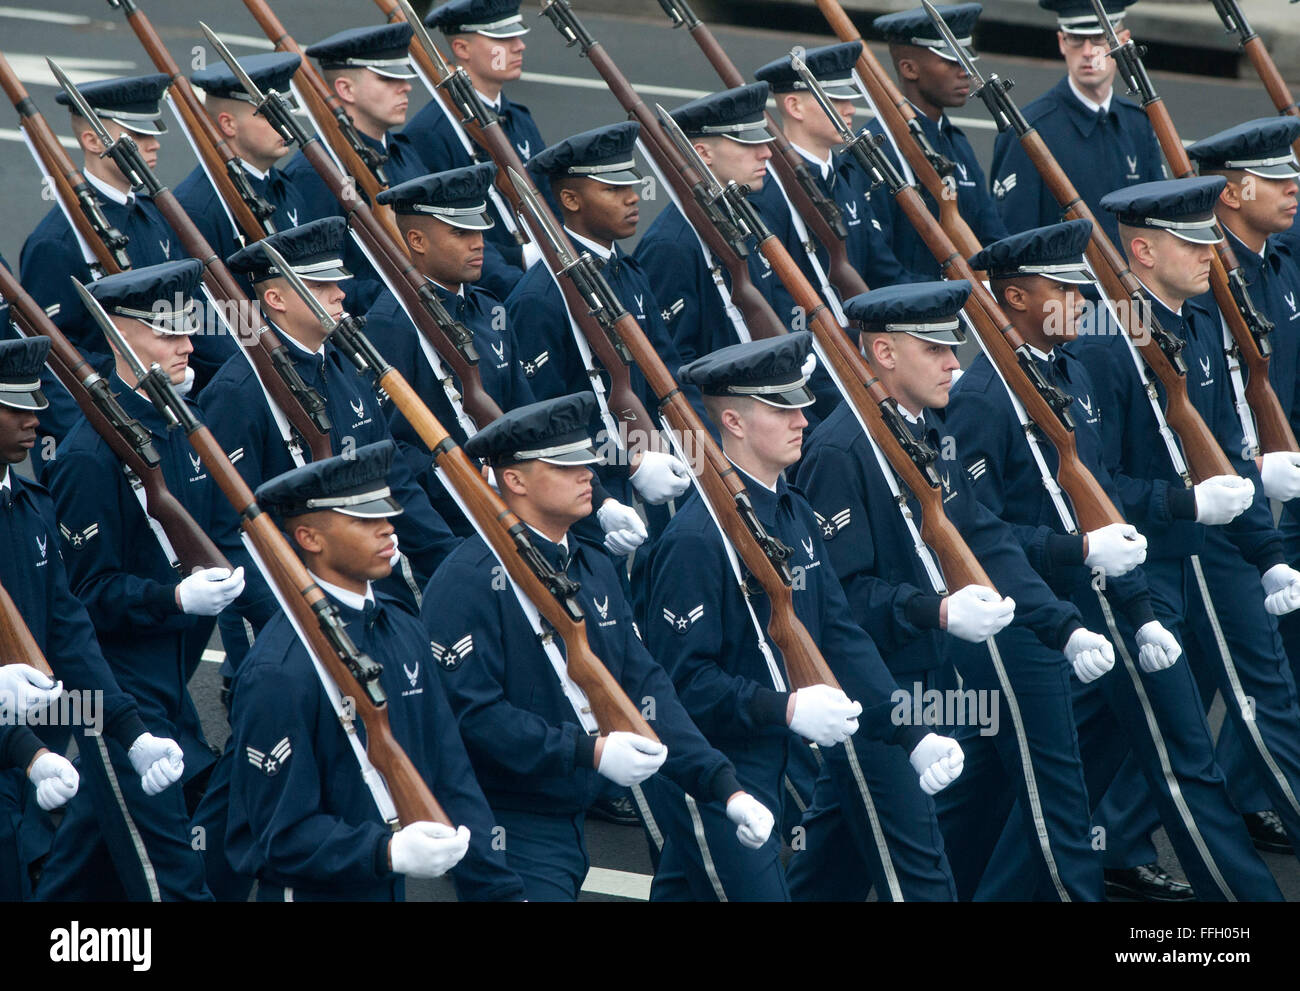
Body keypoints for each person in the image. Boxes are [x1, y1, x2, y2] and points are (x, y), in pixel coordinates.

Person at [947, 220, 1282, 901]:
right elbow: (981, 531)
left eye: (1081, 285)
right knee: (1165, 764)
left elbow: (1105, 492)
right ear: (1013, 299)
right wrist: (1164, 518)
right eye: (1062, 287)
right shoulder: (983, 399)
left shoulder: (1071, 367)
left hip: (1103, 595)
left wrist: (1142, 587)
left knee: (1064, 772)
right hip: (1037, 613)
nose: (1081, 298)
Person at [796, 282, 1117, 901]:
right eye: (936, 349)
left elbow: (985, 538)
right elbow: (840, 600)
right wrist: (936, 610)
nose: (954, 362)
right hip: (873, 687)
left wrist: (1061, 626)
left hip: (930, 676)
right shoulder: (840, 450)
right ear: (884, 354)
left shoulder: (925, 430)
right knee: (916, 874)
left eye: (955, 346)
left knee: (834, 860)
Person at [639, 332, 967, 900]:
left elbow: (838, 634)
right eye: (780, 407)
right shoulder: (696, 538)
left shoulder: (790, 509)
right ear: (734, 423)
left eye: (799, 403)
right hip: (712, 770)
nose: (801, 418)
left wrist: (909, 730)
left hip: (765, 752)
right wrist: (785, 706)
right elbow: (682, 687)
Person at [422, 392, 775, 900]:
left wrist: (721, 783)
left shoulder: (592, 567)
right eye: (566, 466)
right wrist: (586, 751)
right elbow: (472, 717)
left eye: (587, 462)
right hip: (507, 822)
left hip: (570, 809)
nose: (588, 474)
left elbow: (643, 683)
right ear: (514, 480)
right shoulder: (467, 582)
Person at [1070, 176, 1300, 867]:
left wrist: (1266, 551)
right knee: (1232, 714)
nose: (1210, 253)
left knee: (1144, 723)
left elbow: (1227, 446)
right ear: (1140, 250)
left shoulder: (1199, 319)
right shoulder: (1106, 345)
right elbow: (1094, 482)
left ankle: (1095, 844)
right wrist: (1184, 505)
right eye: (1191, 241)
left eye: (1210, 237)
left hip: (1212, 548)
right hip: (1154, 561)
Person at [225, 440, 523, 901]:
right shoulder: (279, 671)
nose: (388, 529)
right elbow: (275, 838)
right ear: (309, 538)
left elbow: (449, 770)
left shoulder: (402, 629)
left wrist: (499, 889)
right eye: (365, 520)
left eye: (385, 514)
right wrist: (383, 852)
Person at [37, 260, 246, 902]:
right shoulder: (89, 456)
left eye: (190, 330)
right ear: (123, 336)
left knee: (88, 860)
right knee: (172, 878)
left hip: (170, 678)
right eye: (171, 334)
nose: (190, 345)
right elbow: (79, 599)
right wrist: (171, 597)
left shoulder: (176, 426)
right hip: (117, 694)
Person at [201, 217, 460, 671]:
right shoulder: (239, 391)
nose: (340, 293)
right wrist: (292, 615)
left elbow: (391, 476)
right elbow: (231, 528)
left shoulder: (345, 366)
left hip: (378, 594)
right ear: (276, 299)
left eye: (337, 282)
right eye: (321, 285)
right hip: (299, 612)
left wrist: (453, 563)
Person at [0, 336, 190, 901]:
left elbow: (69, 629)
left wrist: (130, 732)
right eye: (16, 406)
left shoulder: (29, 505)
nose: (36, 417)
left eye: (37, 402)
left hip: (31, 751)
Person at [504, 121, 695, 555]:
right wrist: (608, 491)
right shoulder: (539, 298)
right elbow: (545, 423)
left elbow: (666, 379)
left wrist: (699, 457)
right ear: (570, 199)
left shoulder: (626, 272)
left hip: (659, 470)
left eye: (631, 184)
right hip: (592, 500)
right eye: (613, 189)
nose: (633, 197)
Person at [19, 73, 201, 441]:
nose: (154, 146)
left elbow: (185, 309)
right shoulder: (57, 241)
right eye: (139, 136)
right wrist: (98, 440)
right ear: (91, 140)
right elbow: (52, 360)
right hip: (106, 426)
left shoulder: (157, 215)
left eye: (154, 134)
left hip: (167, 409)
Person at [366, 162, 533, 534]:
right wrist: (465, 474)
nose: (478, 243)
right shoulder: (393, 322)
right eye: (460, 232)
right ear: (417, 241)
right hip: (450, 519)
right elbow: (391, 444)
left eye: (479, 230)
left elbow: (521, 406)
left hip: (515, 504)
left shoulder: (489, 308)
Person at [279, 22, 428, 312]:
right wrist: (396, 300)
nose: (406, 86)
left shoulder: (402, 150)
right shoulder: (316, 173)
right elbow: (320, 277)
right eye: (387, 79)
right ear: (346, 89)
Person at [988, 0, 1165, 245]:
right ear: (1062, 42)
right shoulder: (1028, 129)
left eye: (1099, 39)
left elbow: (1157, 221)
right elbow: (1016, 239)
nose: (1087, 52)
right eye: (1076, 39)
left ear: (1123, 41)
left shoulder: (1138, 124)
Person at [635, 84, 786, 365]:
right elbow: (674, 360)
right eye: (748, 143)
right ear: (703, 153)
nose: (766, 152)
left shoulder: (748, 215)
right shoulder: (672, 245)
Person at [406, 0, 546, 298]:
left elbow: (548, 198)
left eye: (517, 36)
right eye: (502, 39)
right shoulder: (431, 132)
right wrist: (520, 262)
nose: (519, 46)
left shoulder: (519, 119)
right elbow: (441, 232)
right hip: (489, 289)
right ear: (462, 48)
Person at [751, 41, 914, 295]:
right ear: (795, 107)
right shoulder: (770, 189)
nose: (850, 109)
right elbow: (774, 293)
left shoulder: (845, 177)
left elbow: (884, 273)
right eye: (836, 99)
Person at [866, 3, 1008, 280]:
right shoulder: (878, 150)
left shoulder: (956, 142)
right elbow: (878, 263)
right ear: (909, 69)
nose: (964, 71)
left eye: (965, 60)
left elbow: (991, 234)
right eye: (951, 61)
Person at [174, 53, 311, 289]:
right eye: (270, 115)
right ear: (228, 124)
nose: (284, 123)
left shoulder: (284, 186)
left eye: (284, 112)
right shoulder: (197, 206)